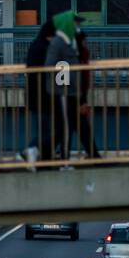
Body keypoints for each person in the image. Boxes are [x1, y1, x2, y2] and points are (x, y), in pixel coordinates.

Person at [41, 11, 81, 163]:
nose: (78, 26)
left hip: (68, 91)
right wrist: (61, 80)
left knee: (65, 127)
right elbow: (50, 65)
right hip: (62, 91)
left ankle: (42, 151)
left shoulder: (69, 42)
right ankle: (63, 160)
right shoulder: (58, 43)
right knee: (64, 127)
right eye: (75, 23)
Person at [22, 20, 56, 166]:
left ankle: (43, 157)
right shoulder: (45, 48)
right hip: (43, 95)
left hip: (35, 94)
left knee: (44, 128)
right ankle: (32, 150)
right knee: (46, 130)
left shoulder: (36, 45)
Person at [73, 28, 101, 159]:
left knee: (80, 128)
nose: (86, 43)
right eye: (84, 41)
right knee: (63, 131)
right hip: (73, 98)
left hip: (73, 97)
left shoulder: (80, 55)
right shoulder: (77, 57)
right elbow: (77, 80)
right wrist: (81, 101)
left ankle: (93, 154)